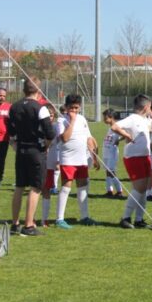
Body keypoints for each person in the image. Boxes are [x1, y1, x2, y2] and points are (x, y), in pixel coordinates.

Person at [7, 76, 56, 236]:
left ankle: (15, 223)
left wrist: (15, 145)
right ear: (38, 91)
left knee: (19, 186)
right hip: (36, 150)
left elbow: (11, 132)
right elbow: (50, 133)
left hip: (21, 149)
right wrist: (46, 147)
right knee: (35, 188)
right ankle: (29, 225)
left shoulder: (13, 107)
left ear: (24, 90)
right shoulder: (40, 108)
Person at [54, 94, 98, 228]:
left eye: (76, 108)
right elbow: (65, 138)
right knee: (66, 187)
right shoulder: (61, 121)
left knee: (83, 186)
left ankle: (84, 216)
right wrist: (72, 121)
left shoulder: (83, 119)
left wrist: (94, 157)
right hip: (68, 159)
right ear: (66, 107)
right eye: (71, 108)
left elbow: (89, 138)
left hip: (82, 159)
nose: (74, 110)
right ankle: (59, 219)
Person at [111, 94, 152, 229]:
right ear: (146, 107)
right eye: (150, 107)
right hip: (134, 157)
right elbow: (114, 126)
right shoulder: (132, 118)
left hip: (145, 156)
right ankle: (125, 217)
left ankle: (139, 219)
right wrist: (126, 135)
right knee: (139, 188)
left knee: (144, 189)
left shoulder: (144, 119)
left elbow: (148, 128)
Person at [41, 103, 60, 227]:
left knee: (46, 190)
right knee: (37, 190)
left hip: (50, 164)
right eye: (47, 116)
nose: (50, 118)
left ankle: (45, 219)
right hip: (40, 162)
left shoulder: (56, 127)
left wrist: (58, 159)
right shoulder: (38, 127)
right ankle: (34, 219)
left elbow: (59, 144)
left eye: (52, 115)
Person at [102, 109, 123, 197]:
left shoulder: (117, 126)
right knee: (107, 171)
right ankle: (109, 191)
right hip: (106, 151)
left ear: (111, 117)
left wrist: (119, 140)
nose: (104, 120)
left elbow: (126, 134)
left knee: (111, 171)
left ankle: (119, 191)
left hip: (112, 152)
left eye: (105, 118)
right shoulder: (110, 127)